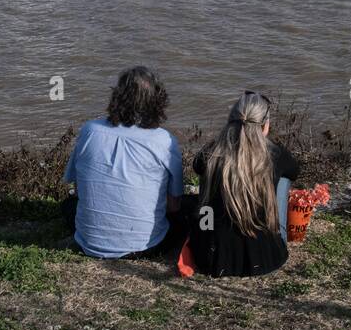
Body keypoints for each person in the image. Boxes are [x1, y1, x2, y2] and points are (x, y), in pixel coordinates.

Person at [63, 66, 183, 258]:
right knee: (187, 213)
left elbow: (78, 191)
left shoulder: (89, 130)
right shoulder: (164, 141)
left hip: (88, 244)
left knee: (68, 206)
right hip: (145, 247)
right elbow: (174, 206)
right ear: (158, 101)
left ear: (117, 97)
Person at [186, 91, 301, 277]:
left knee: (210, 170)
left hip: (211, 258)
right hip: (266, 258)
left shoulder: (211, 151)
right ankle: (274, 230)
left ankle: (209, 233)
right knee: (284, 178)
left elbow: (197, 166)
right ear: (265, 125)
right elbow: (295, 171)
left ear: (230, 121)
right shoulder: (276, 154)